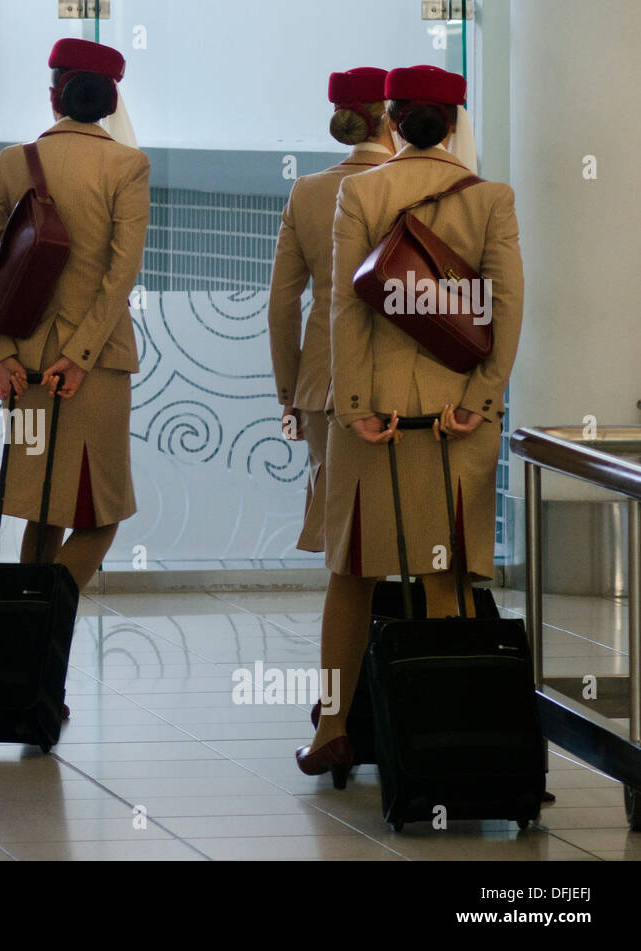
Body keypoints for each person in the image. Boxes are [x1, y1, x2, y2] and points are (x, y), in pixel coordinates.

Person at [297, 65, 524, 784]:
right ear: (455, 122)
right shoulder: (491, 198)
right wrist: (480, 399)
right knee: (444, 572)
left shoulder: (360, 191)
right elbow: (506, 309)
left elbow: (344, 308)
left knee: (352, 574)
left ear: (392, 121)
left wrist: (358, 407)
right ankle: (446, 733)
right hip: (457, 417)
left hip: (377, 415)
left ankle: (333, 729)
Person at [0, 38, 149, 602]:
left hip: (23, 361)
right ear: (113, 100)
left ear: (54, 97)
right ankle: (43, 618)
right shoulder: (128, 164)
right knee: (97, 512)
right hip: (94, 368)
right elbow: (122, 274)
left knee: (40, 510)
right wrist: (82, 354)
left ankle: (21, 632)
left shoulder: (18, 160)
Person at [268, 67, 392, 555]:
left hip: (324, 383)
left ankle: (349, 627)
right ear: (391, 119)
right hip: (408, 383)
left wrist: (290, 393)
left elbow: (282, 304)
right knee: (404, 521)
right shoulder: (416, 187)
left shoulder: (309, 191)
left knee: (343, 526)